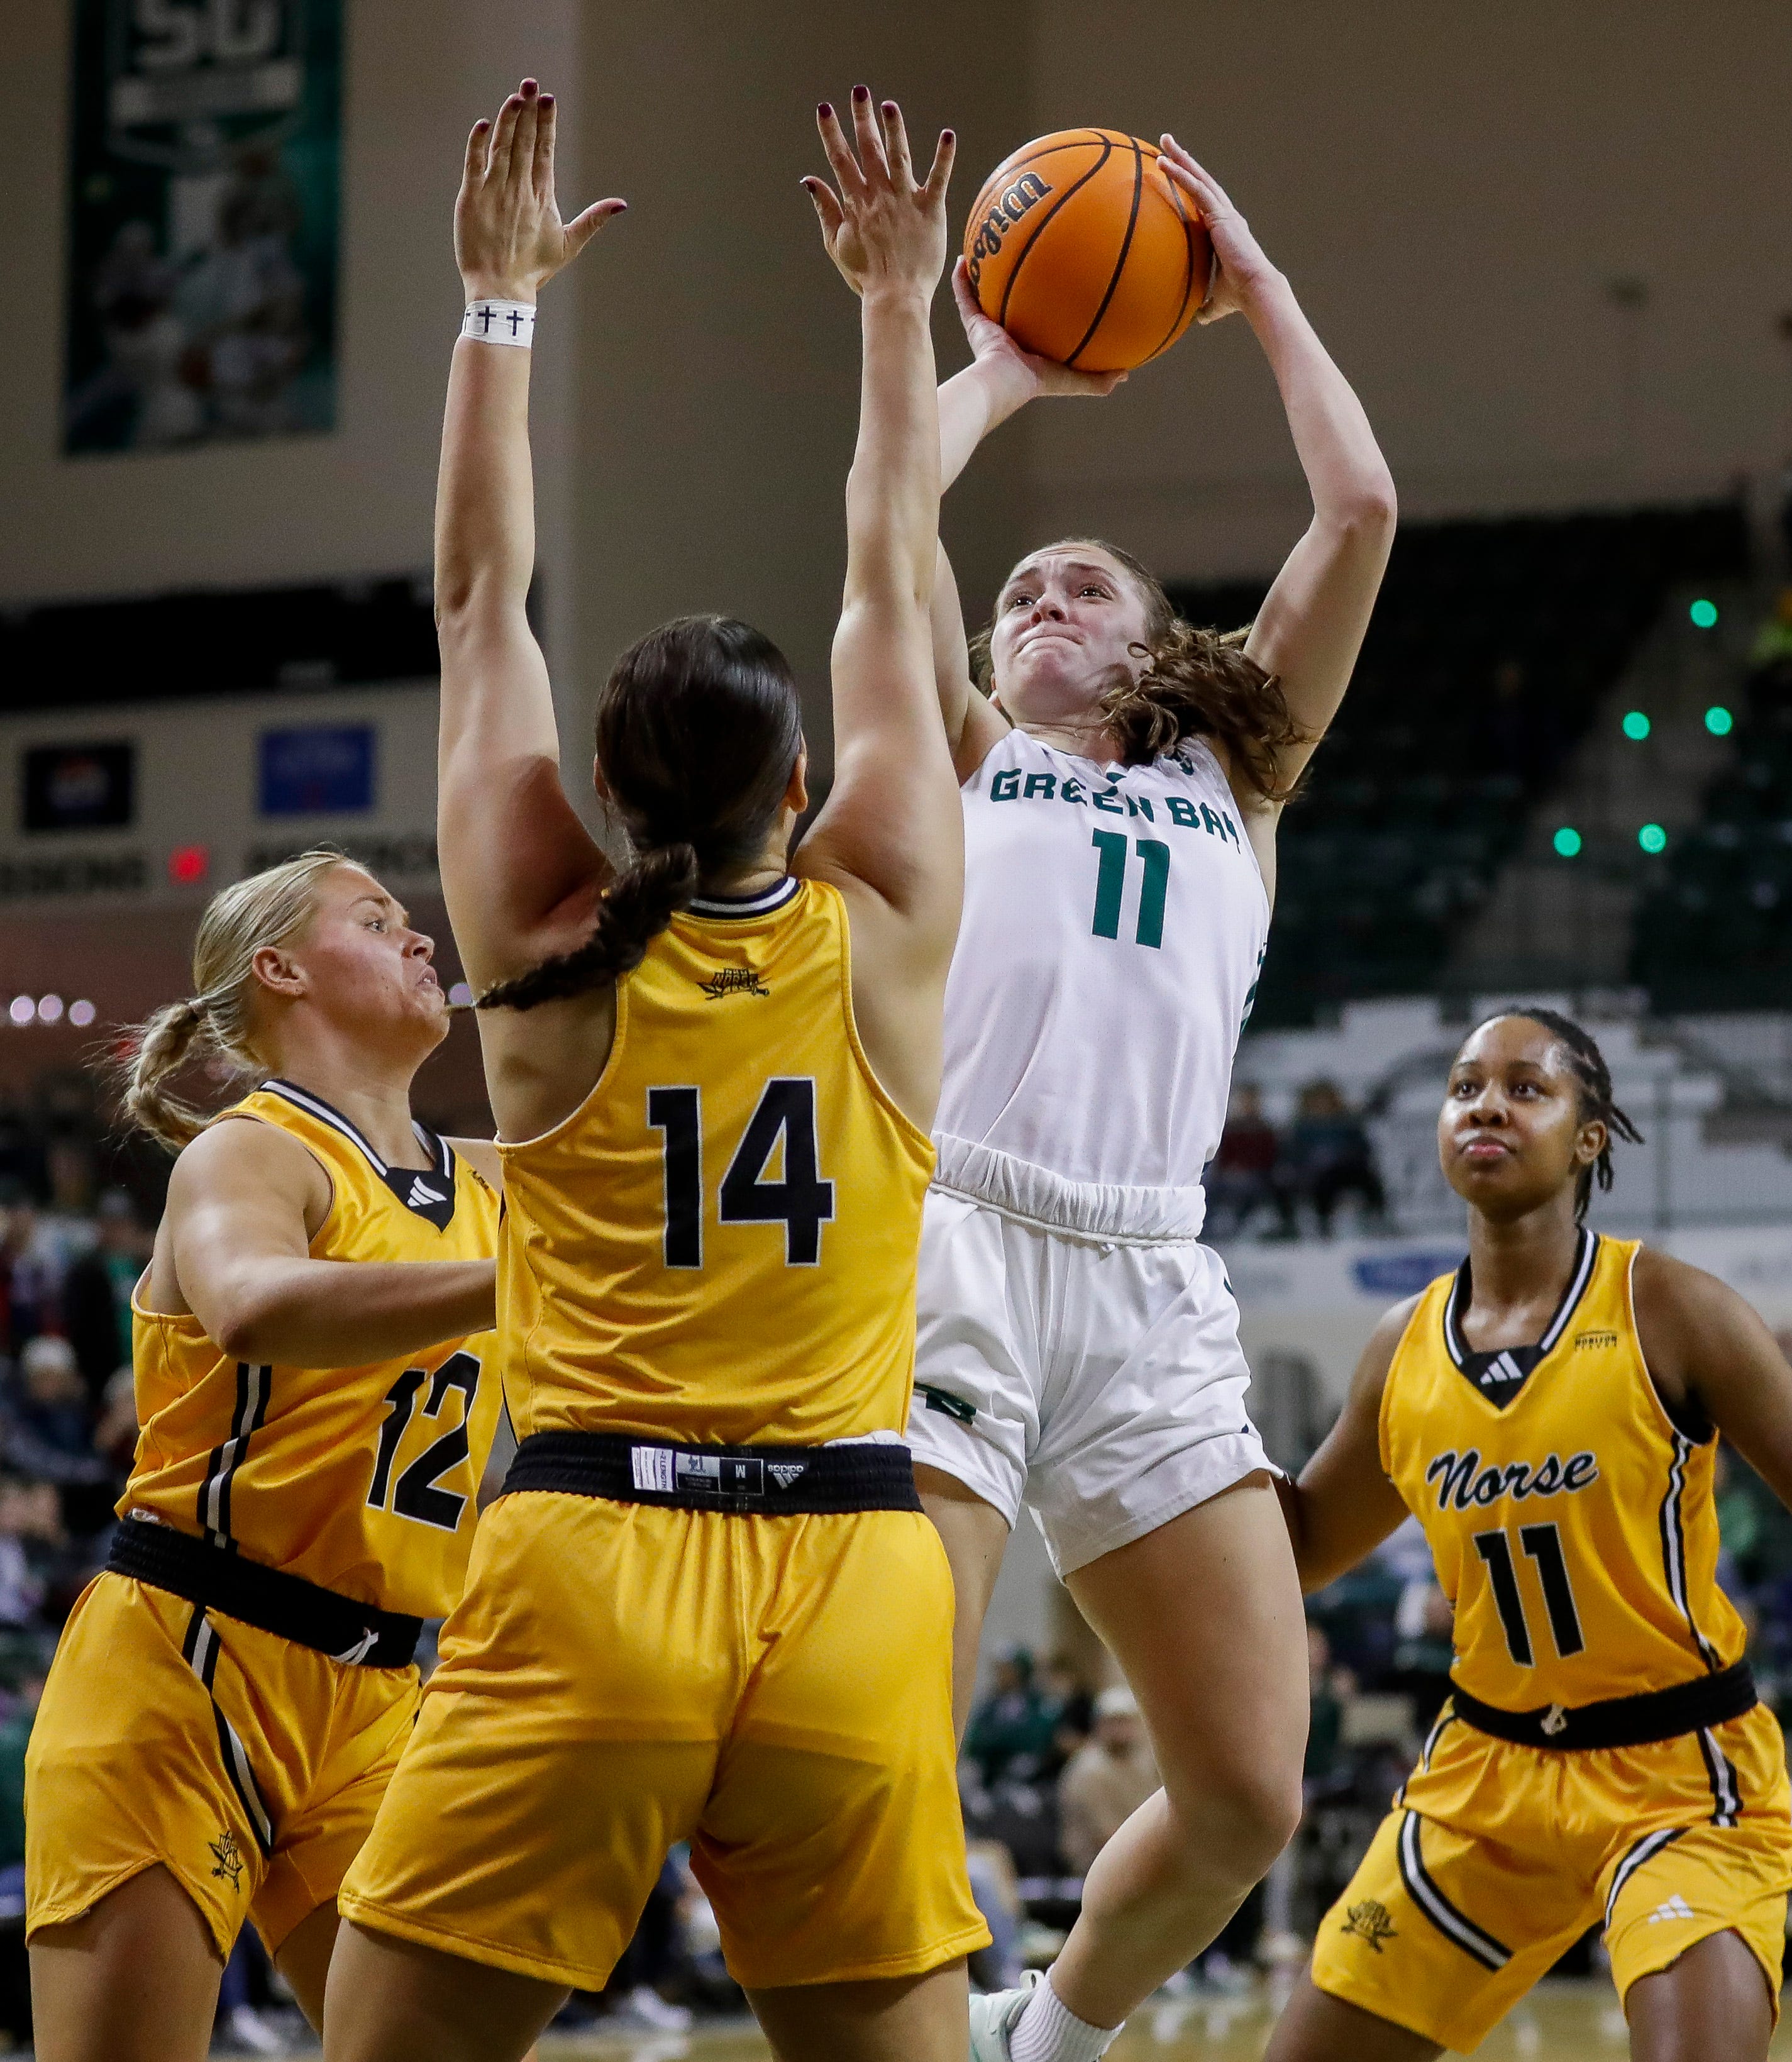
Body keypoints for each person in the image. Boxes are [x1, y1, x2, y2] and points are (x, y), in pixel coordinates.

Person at [323, 79, 984, 2062]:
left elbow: (472, 605)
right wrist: (891, 307)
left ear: (603, 794)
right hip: (854, 1580)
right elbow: (888, 574)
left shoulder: (541, 940)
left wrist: (496, 308)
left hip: (588, 1562)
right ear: (808, 787)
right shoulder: (886, 915)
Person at [843, 137, 1397, 2061]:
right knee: (879, 1725)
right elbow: (889, 514)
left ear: (1159, 650)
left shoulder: (1232, 787)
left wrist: (1244, 281)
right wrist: (993, 363)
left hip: (1153, 1282)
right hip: (958, 1237)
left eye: (1079, 581)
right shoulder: (971, 753)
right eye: (1014, 589)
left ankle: (1041, 2039)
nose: (1035, 595)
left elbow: (1358, 506)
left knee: (1251, 1788)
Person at [24, 849, 503, 2062]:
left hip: (381, 1689)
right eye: (378, 917)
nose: (421, 938)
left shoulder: (492, 1182)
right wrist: (533, 1280)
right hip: (190, 1662)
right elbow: (250, 1302)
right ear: (279, 967)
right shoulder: (251, 1151)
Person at [1263, 1009, 1792, 2062]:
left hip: (1679, 1774)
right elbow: (1308, 1545)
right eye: (1464, 1088)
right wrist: (1177, 1451)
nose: (1487, 1105)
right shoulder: (1399, 1347)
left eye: (1526, 1087)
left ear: (1590, 1135)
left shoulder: (1671, 1306)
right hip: (1482, 1782)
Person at [1058, 1691, 1161, 1878]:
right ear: (1099, 1725)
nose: (1120, 1729)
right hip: (1095, 1864)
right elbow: (1105, 1836)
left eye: (1126, 1721)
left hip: (1140, 1855)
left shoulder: (1146, 1763)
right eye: (1113, 1722)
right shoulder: (1089, 1770)